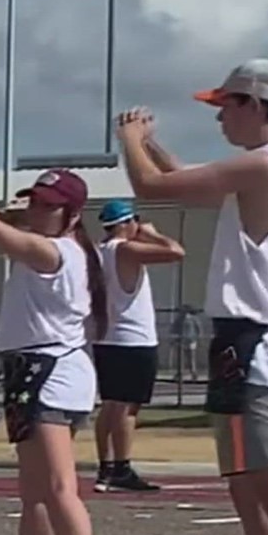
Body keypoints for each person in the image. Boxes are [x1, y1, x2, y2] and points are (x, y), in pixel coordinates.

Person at [117, 58, 268, 535]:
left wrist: (130, 137)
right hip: (241, 349)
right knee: (250, 496)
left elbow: (150, 187)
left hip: (260, 350)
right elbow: (187, 180)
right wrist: (158, 147)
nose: (220, 120)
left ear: (254, 106)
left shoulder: (264, 165)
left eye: (226, 107)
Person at [0, 168, 110, 535]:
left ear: (72, 214)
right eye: (33, 201)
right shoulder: (67, 250)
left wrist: (10, 214)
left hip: (45, 373)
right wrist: (28, 215)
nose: (36, 209)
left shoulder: (55, 251)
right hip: (39, 371)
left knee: (56, 487)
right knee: (34, 494)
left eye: (48, 205)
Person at [93, 199, 185, 493]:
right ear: (125, 223)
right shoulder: (126, 249)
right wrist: (153, 234)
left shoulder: (97, 252)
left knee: (110, 404)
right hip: (132, 338)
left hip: (107, 337)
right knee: (126, 406)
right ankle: (121, 466)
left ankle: (105, 467)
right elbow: (175, 251)